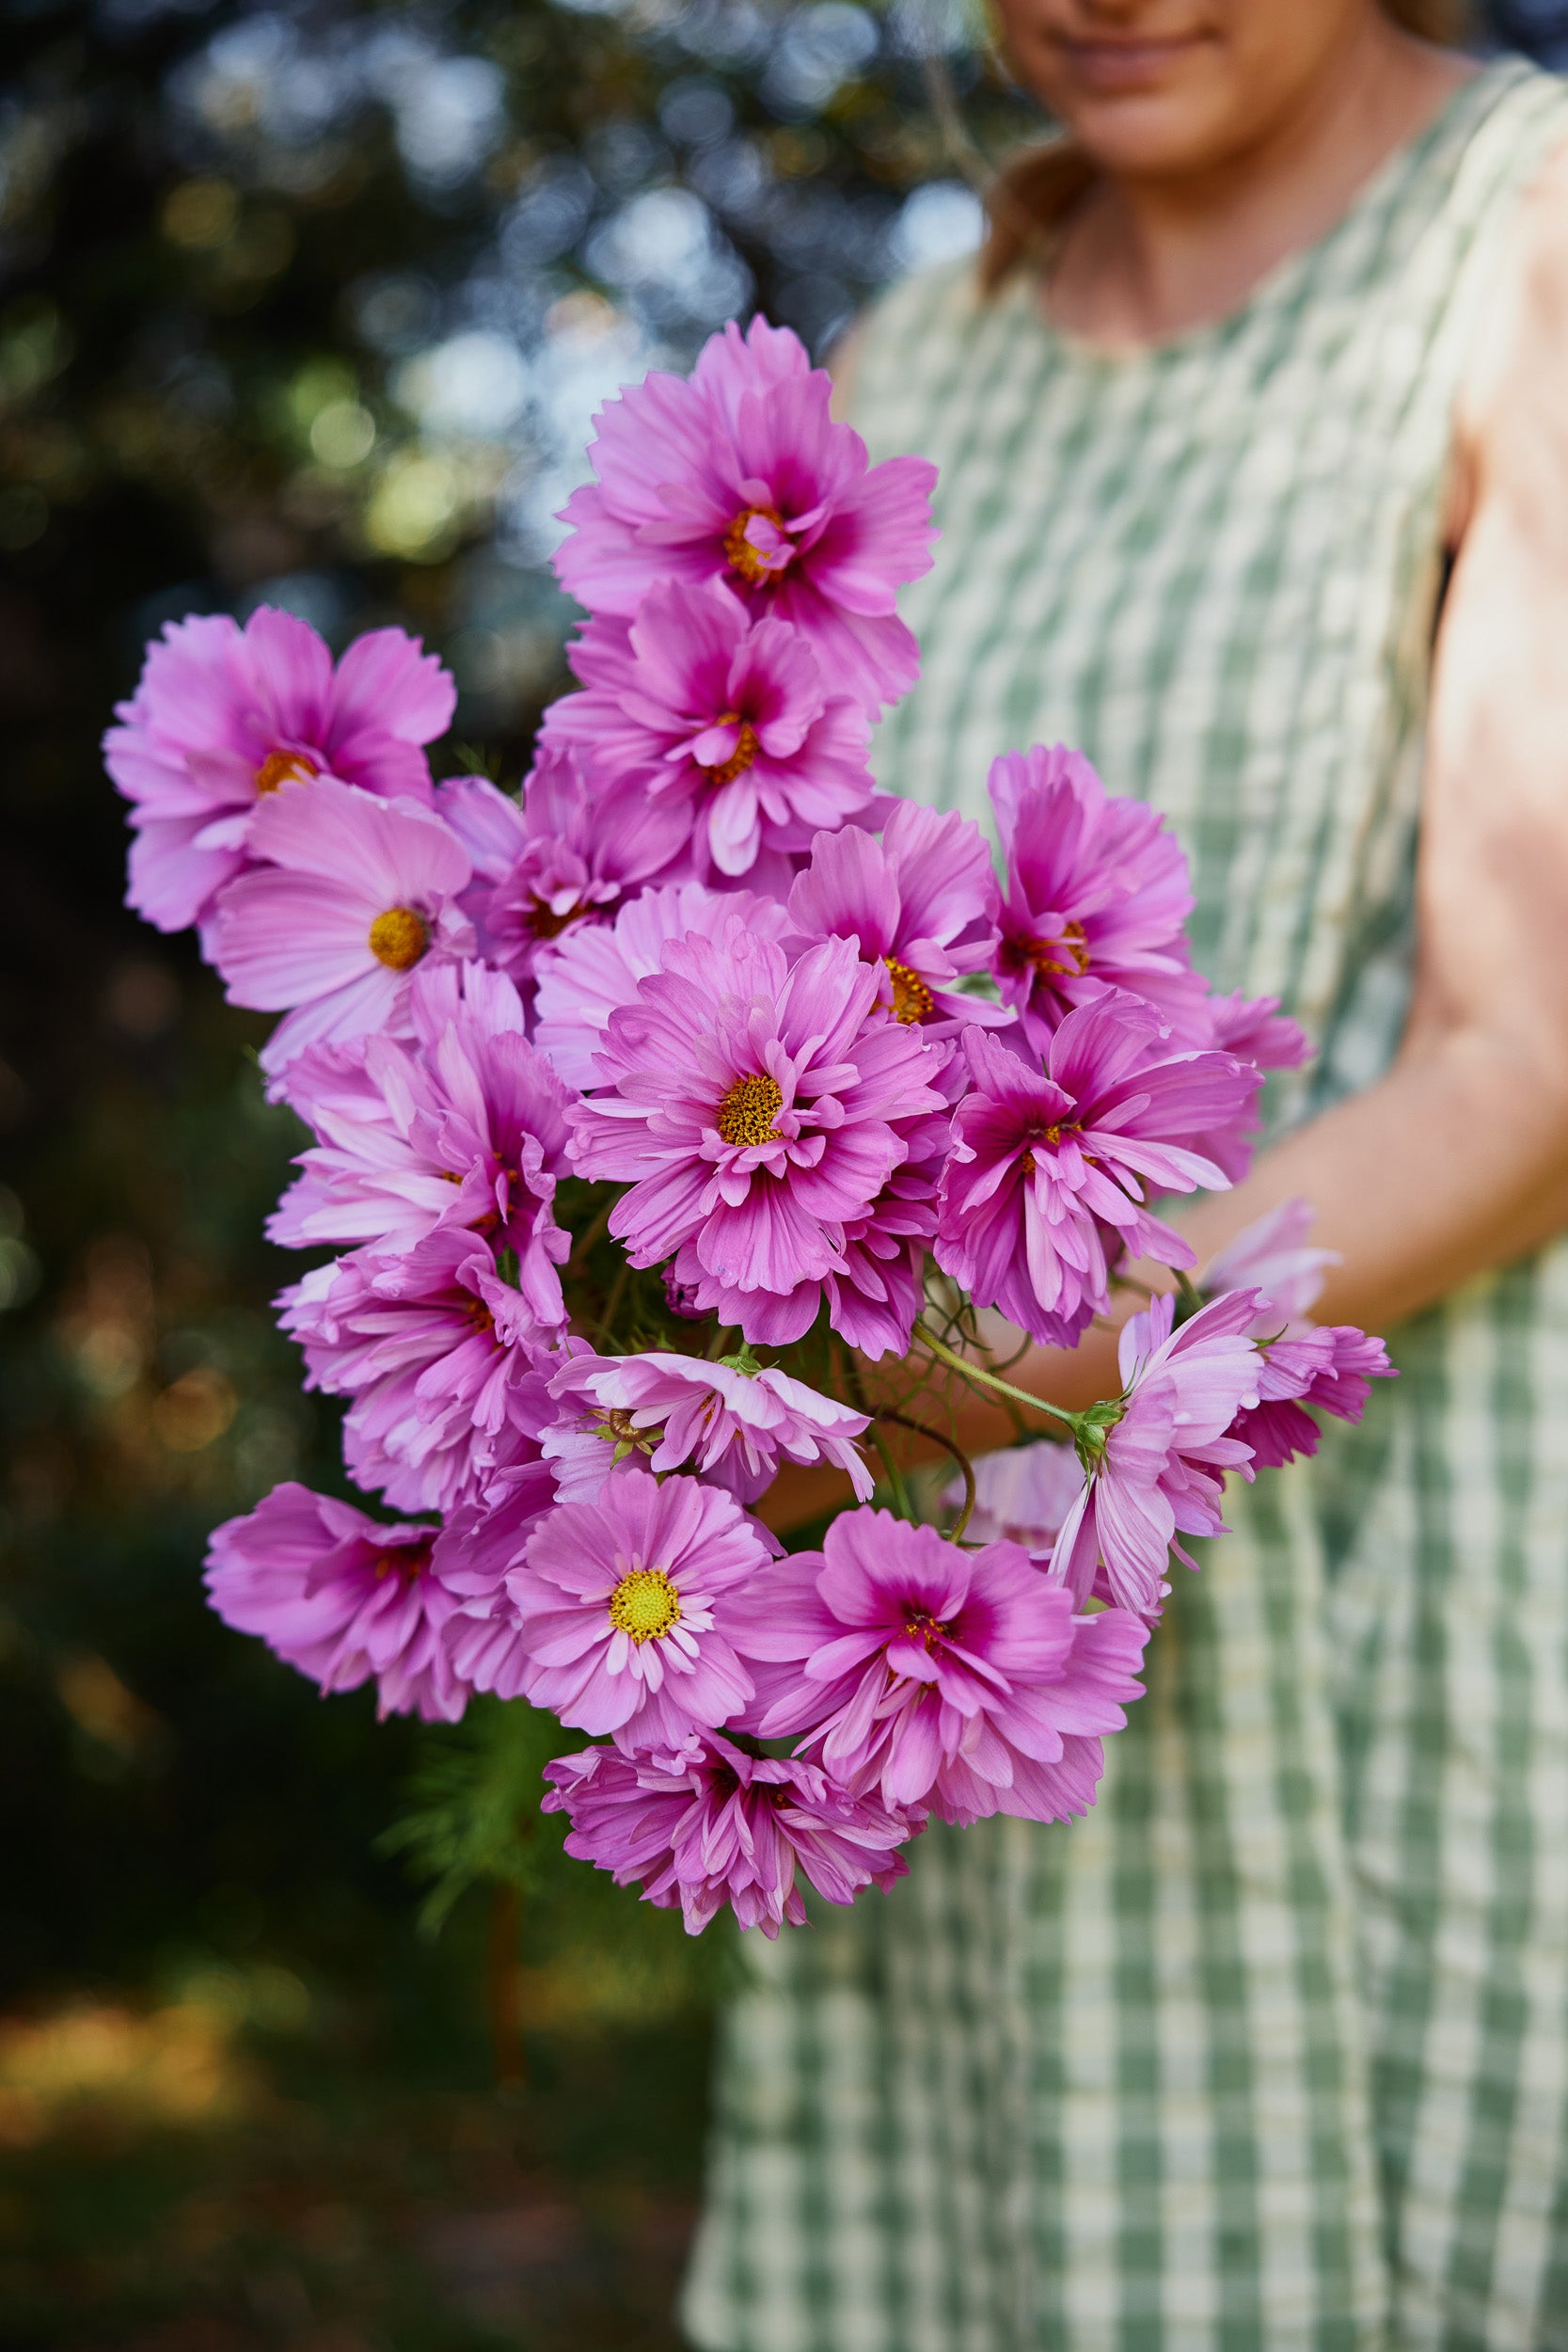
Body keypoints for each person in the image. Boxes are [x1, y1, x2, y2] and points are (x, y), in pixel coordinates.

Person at [679, 6, 1568, 2348]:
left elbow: (1533, 1066)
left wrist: (900, 1405)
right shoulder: (907, 362)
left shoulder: (1528, 243)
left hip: (1372, 1571)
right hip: (954, 1632)